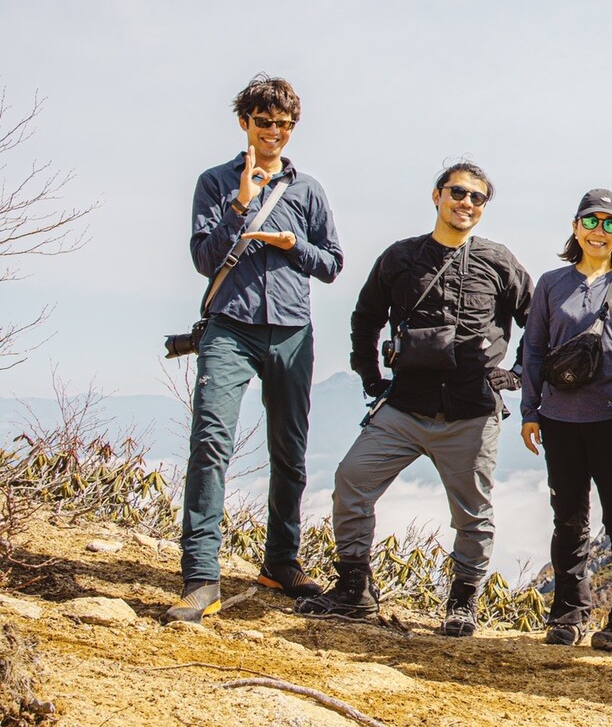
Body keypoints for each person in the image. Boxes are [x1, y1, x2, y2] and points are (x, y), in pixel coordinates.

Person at [296, 162, 531, 636]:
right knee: (352, 481)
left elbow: (539, 320)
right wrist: (370, 377)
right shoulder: (400, 257)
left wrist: (518, 373)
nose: (466, 203)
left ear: (484, 207)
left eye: (477, 198)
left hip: (472, 410)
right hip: (404, 406)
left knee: (473, 514)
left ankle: (462, 603)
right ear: (437, 196)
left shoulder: (498, 260)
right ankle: (354, 591)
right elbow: (365, 318)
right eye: (458, 193)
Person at [168, 75, 343, 623]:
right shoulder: (215, 182)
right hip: (230, 327)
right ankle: (201, 577)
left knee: (290, 453)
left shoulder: (308, 190)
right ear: (244, 122)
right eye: (264, 122)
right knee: (210, 443)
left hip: (292, 330)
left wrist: (296, 247)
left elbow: (333, 264)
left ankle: (280, 563)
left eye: (283, 125)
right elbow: (203, 258)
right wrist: (241, 205)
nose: (273, 132)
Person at [521, 189, 612, 652]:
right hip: (558, 415)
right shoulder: (550, 283)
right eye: (591, 221)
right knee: (569, 520)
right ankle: (568, 613)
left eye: (610, 223)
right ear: (576, 227)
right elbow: (533, 349)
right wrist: (529, 410)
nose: (600, 231)